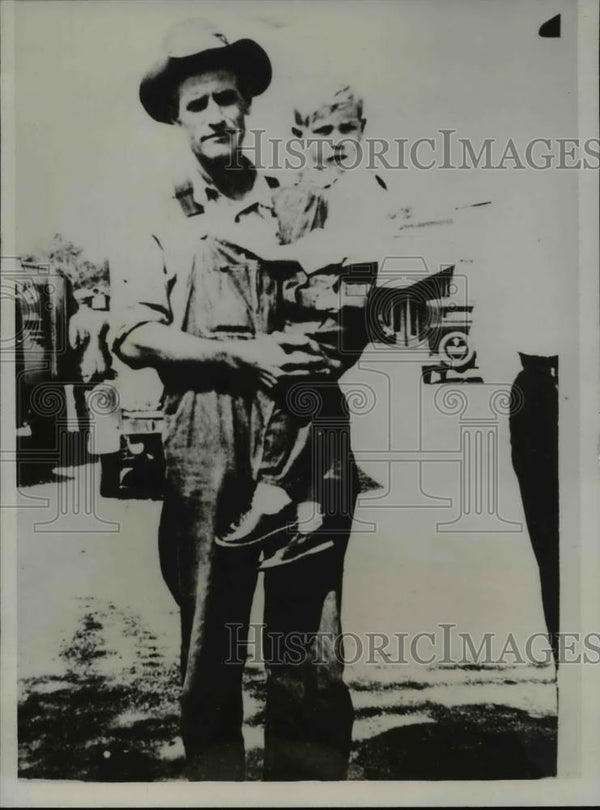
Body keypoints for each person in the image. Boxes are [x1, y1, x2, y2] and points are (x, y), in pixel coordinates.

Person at [111, 21, 358, 780]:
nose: (217, 114)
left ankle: (309, 785)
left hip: (306, 426)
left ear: (248, 105)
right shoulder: (152, 211)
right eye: (199, 105)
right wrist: (243, 353)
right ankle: (214, 783)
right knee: (211, 637)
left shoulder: (301, 204)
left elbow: (347, 311)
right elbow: (133, 331)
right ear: (177, 118)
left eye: (228, 98)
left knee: (308, 645)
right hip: (205, 429)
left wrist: (323, 352)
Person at [217, 85, 388, 568]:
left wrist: (272, 254)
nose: (336, 141)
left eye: (347, 130)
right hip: (328, 305)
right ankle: (316, 516)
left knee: (293, 376)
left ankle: (272, 494)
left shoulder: (360, 186)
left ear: (363, 132)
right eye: (323, 131)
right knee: (318, 399)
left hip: (347, 311)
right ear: (300, 135)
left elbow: (333, 251)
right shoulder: (309, 186)